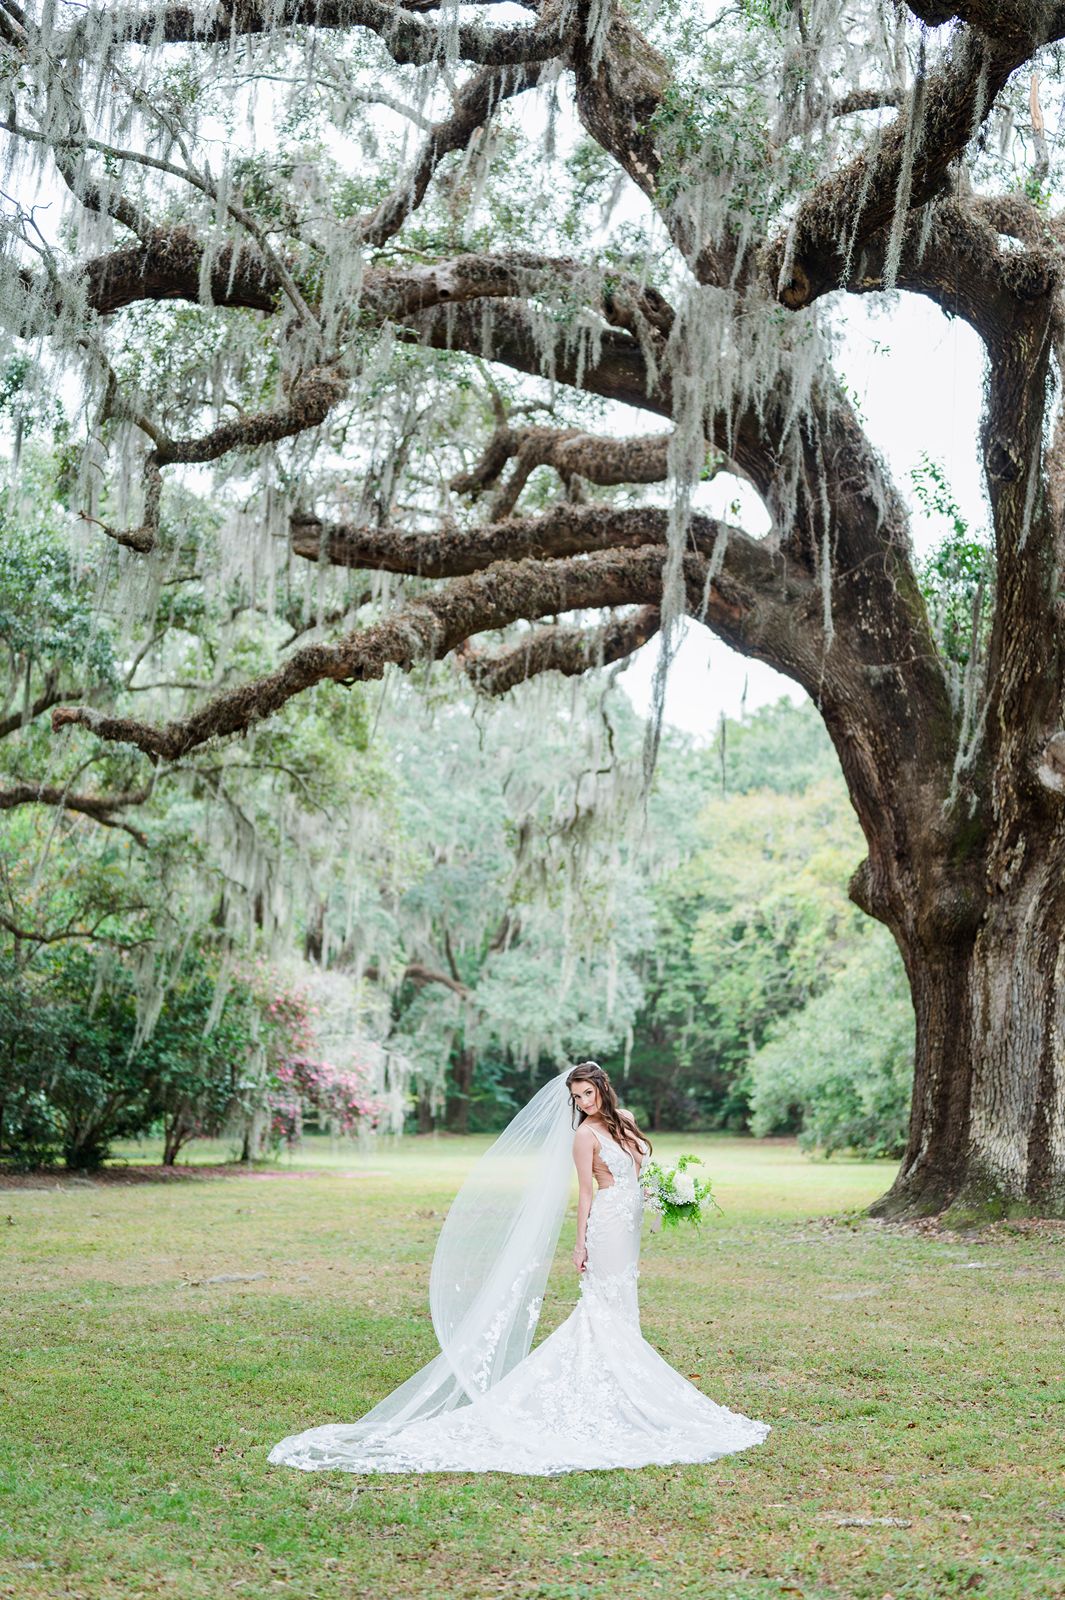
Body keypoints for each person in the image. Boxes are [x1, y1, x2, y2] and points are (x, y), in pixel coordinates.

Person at [268, 1062, 769, 1475]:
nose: (583, 1102)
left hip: (632, 1220)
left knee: (622, 1301)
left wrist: (665, 1193)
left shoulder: (627, 1120)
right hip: (607, 1224)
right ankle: (612, 1385)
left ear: (603, 1089)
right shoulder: (584, 1137)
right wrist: (579, 1244)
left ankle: (622, 1382)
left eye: (588, 1094)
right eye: (576, 1097)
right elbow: (586, 1192)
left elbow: (642, 1164)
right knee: (601, 1304)